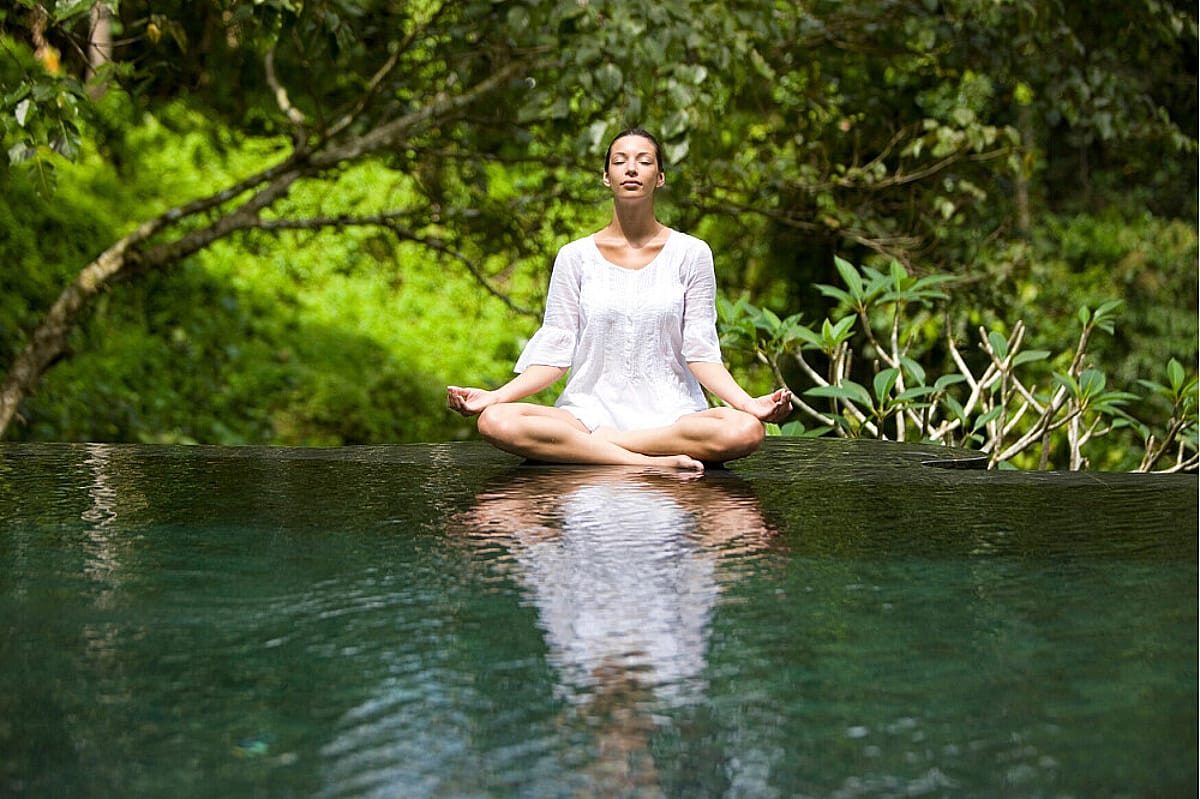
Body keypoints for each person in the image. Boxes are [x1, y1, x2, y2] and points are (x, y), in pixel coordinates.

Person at [447, 129, 792, 471]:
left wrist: (749, 403)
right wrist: (495, 396)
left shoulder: (691, 253)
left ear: (659, 178)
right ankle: (644, 464)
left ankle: (603, 448)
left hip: (672, 420)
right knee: (495, 421)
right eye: (619, 161)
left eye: (643, 161)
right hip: (587, 414)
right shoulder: (575, 257)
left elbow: (701, 352)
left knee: (745, 430)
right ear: (606, 177)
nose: (630, 169)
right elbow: (555, 353)